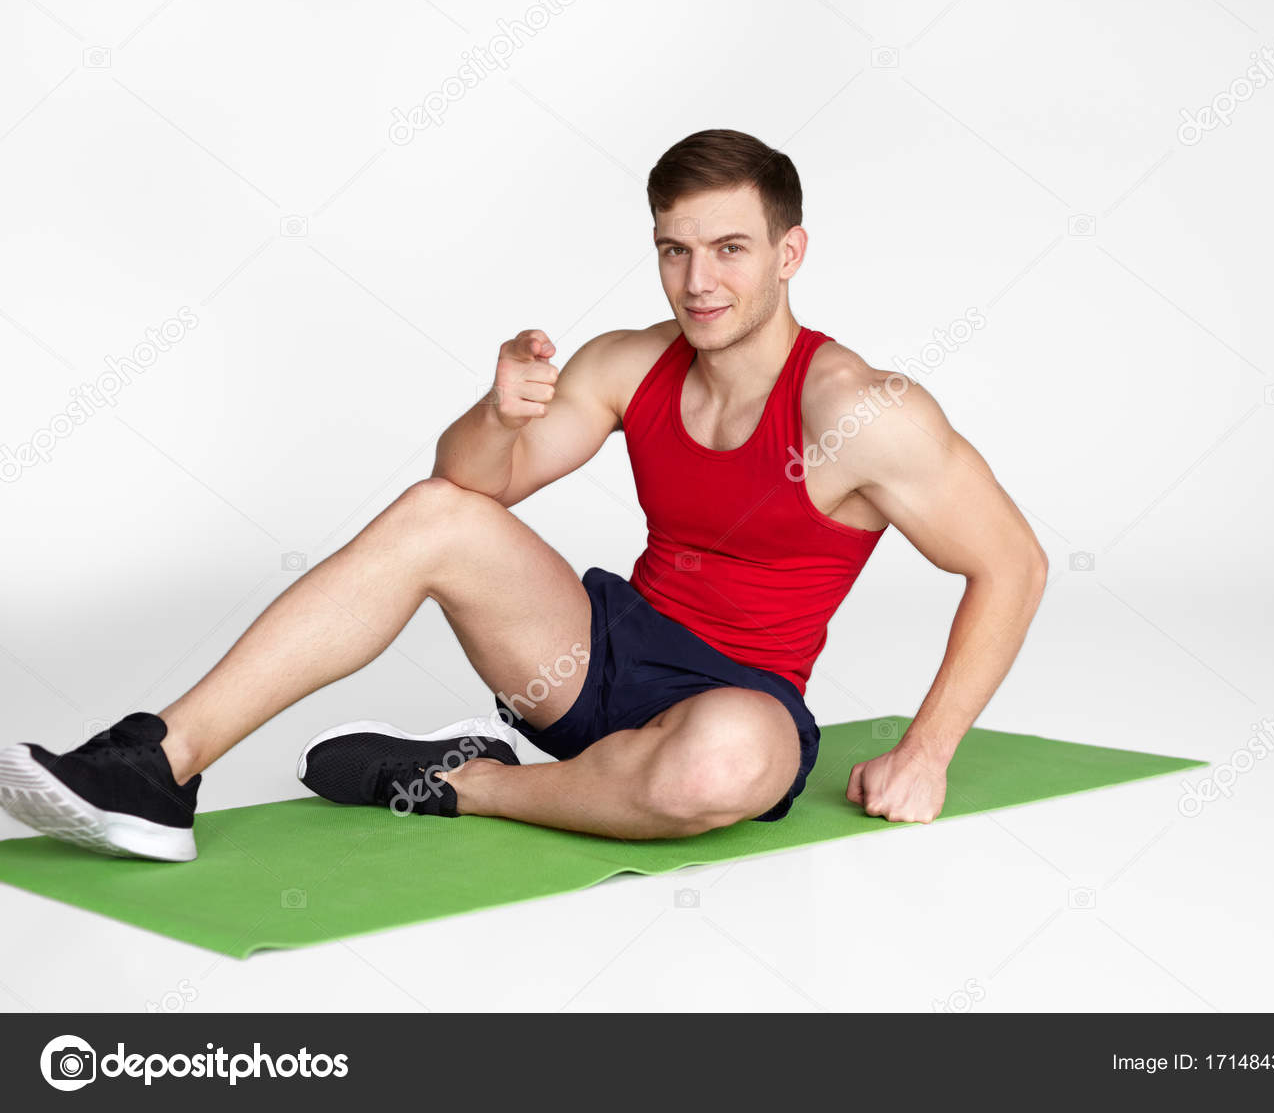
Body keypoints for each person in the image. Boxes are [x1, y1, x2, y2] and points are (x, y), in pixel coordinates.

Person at [0, 129, 1048, 862]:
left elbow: (1011, 564)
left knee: (723, 763)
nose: (698, 281)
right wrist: (497, 412)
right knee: (434, 518)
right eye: (674, 250)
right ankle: (157, 764)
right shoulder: (631, 362)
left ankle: (467, 783)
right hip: (590, 666)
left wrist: (926, 751)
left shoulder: (861, 409)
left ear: (789, 253)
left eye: (729, 249)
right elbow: (461, 487)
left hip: (738, 704)